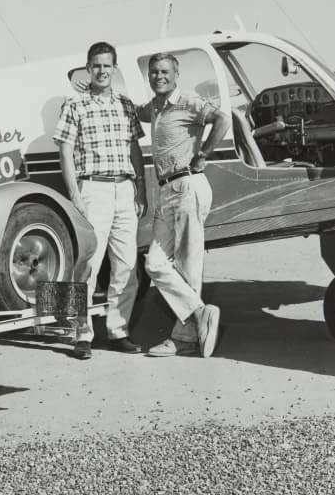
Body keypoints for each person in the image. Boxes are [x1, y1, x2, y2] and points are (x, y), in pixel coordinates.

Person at [53, 41, 147, 360]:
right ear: (88, 68)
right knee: (88, 265)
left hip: (124, 190)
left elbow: (135, 148)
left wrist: (141, 188)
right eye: (96, 65)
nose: (102, 71)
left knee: (127, 266)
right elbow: (64, 150)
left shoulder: (125, 104)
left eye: (107, 65)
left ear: (114, 68)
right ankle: (82, 335)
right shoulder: (75, 104)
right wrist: (75, 194)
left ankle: (118, 330)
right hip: (93, 189)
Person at [138, 53, 231, 358]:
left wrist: (204, 154)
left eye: (164, 71)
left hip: (187, 185)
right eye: (153, 72)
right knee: (154, 264)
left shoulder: (188, 100)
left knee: (189, 266)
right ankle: (200, 312)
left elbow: (222, 119)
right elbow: (136, 112)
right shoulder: (155, 107)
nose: (158, 76)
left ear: (176, 75)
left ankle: (183, 338)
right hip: (167, 190)